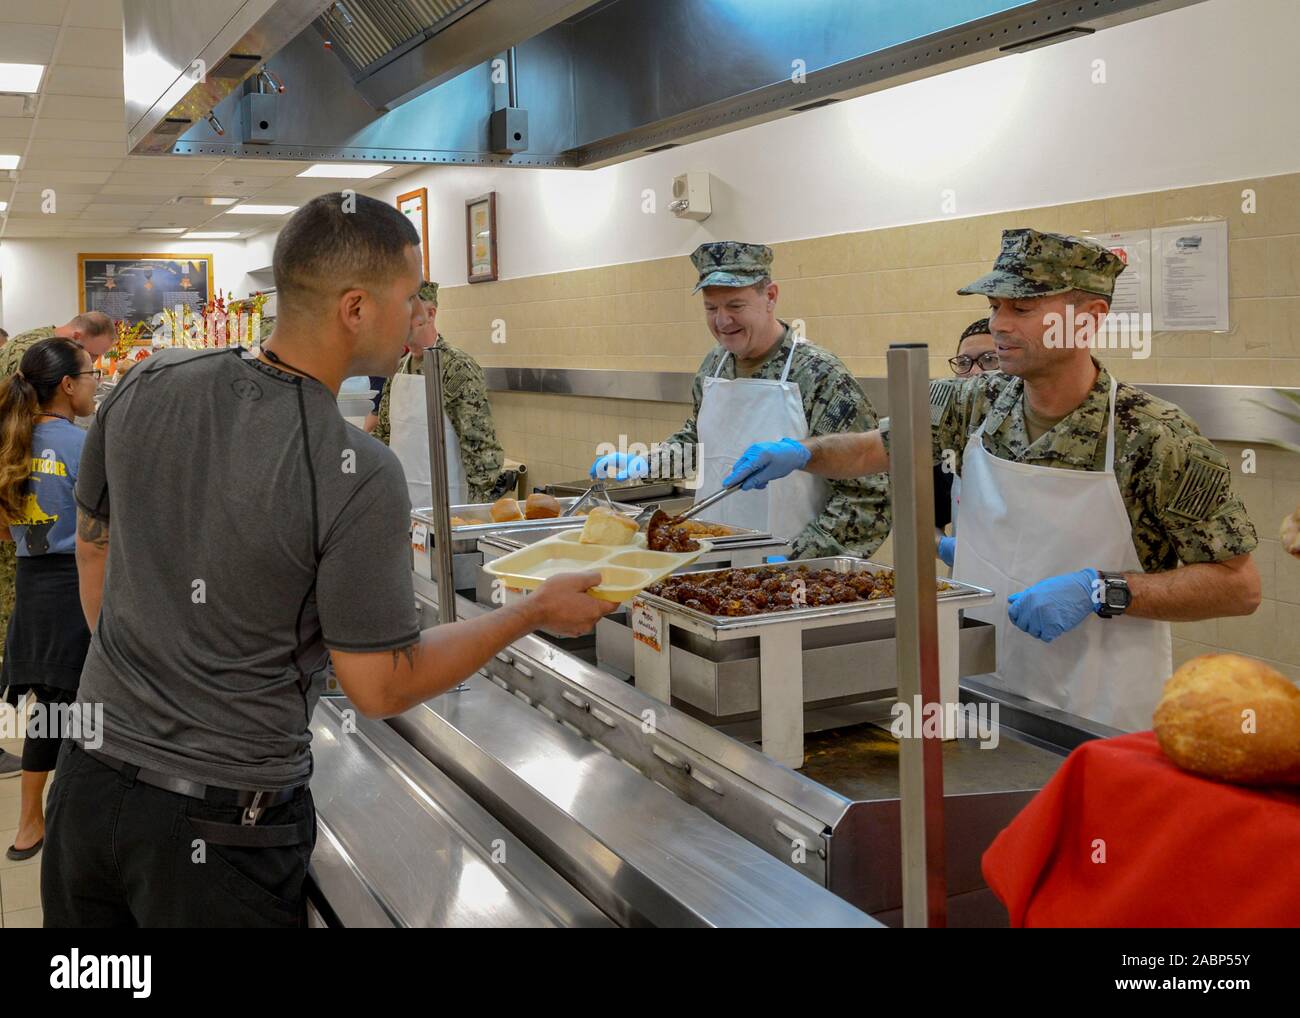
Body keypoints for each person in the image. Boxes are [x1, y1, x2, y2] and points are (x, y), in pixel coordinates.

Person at [43, 193, 615, 927]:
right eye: (409, 297)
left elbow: (95, 551)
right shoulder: (357, 470)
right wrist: (531, 610)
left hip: (87, 789)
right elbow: (379, 685)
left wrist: (150, 672)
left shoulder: (149, 384)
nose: (417, 316)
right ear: (355, 309)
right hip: (219, 833)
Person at [723, 229, 1260, 731]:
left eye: (1022, 308)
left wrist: (1105, 590)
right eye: (994, 307)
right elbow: (875, 448)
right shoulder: (975, 401)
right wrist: (801, 452)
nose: (1000, 324)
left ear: (1088, 318)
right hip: (979, 691)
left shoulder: (1156, 436)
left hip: (1097, 716)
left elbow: (1239, 587)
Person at [590, 242, 892, 558]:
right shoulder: (714, 365)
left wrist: (799, 558)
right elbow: (700, 442)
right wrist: (646, 463)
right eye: (711, 308)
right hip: (712, 558)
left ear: (770, 297)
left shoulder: (819, 375)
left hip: (793, 579)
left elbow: (868, 494)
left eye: (735, 306)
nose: (722, 321)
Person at [0, 312, 113, 781]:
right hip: (78, 587)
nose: (95, 382)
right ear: (68, 384)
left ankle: (30, 821)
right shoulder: (83, 446)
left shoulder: (13, 441)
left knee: (47, 706)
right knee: (86, 705)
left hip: (31, 588)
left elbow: (5, 528)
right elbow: (104, 533)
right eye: (91, 374)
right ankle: (76, 801)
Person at [373, 280, 508, 505]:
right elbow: (385, 436)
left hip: (449, 508)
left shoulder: (456, 368)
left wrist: (472, 518)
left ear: (431, 313)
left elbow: (482, 450)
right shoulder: (397, 370)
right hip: (404, 504)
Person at [935, 317, 997, 565]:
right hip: (970, 585)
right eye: (963, 363)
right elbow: (922, 519)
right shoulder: (948, 440)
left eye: (989, 360)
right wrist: (942, 545)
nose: (974, 371)